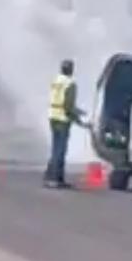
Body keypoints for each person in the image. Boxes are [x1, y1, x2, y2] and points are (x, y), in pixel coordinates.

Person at [45, 58, 84, 188]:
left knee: (55, 148)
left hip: (53, 116)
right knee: (60, 150)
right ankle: (56, 179)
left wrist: (79, 111)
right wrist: (78, 119)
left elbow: (59, 100)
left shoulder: (56, 80)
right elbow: (68, 106)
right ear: (71, 70)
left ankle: (50, 176)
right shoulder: (70, 83)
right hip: (62, 118)